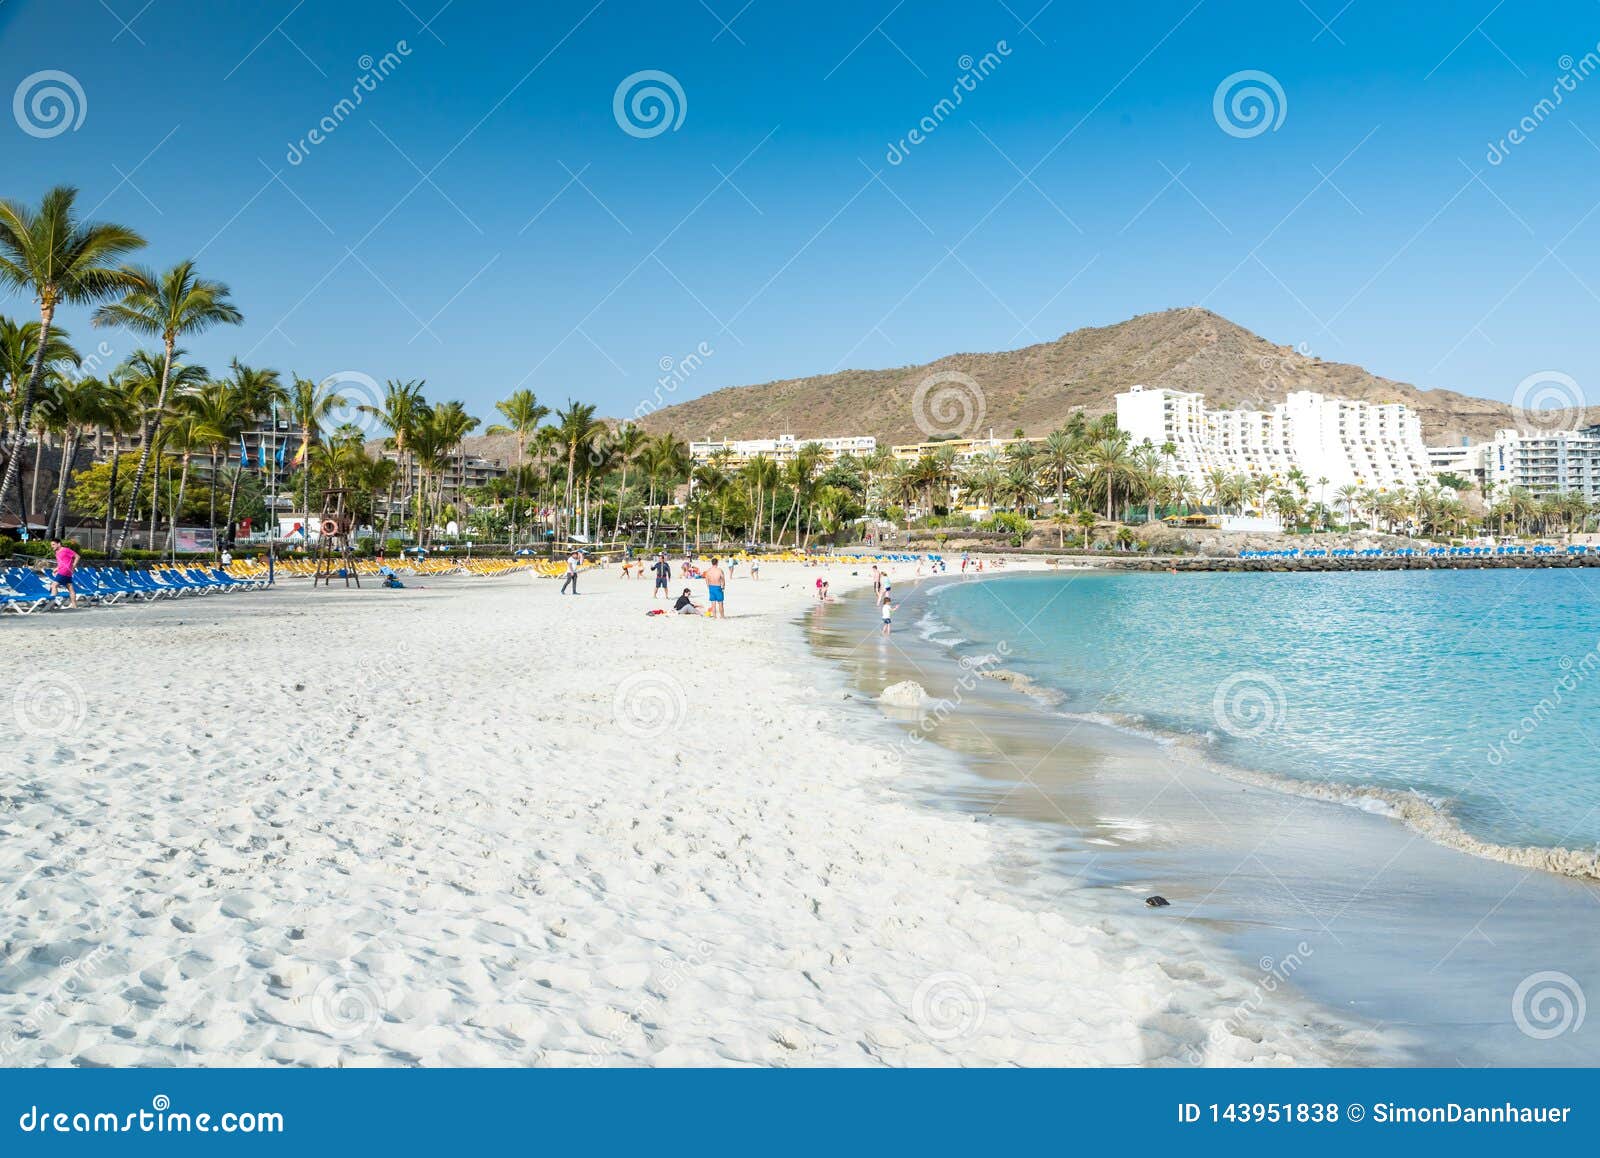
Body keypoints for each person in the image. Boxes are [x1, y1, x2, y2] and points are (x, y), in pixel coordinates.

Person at [48, 539, 79, 609]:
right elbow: (62, 562)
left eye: (53, 544)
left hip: (64, 571)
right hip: (65, 571)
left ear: (59, 544)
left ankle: (51, 605)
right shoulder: (56, 552)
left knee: (53, 585)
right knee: (70, 587)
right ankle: (74, 606)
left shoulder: (66, 550)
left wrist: (73, 566)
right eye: (51, 545)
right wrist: (57, 568)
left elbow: (77, 556)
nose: (52, 546)